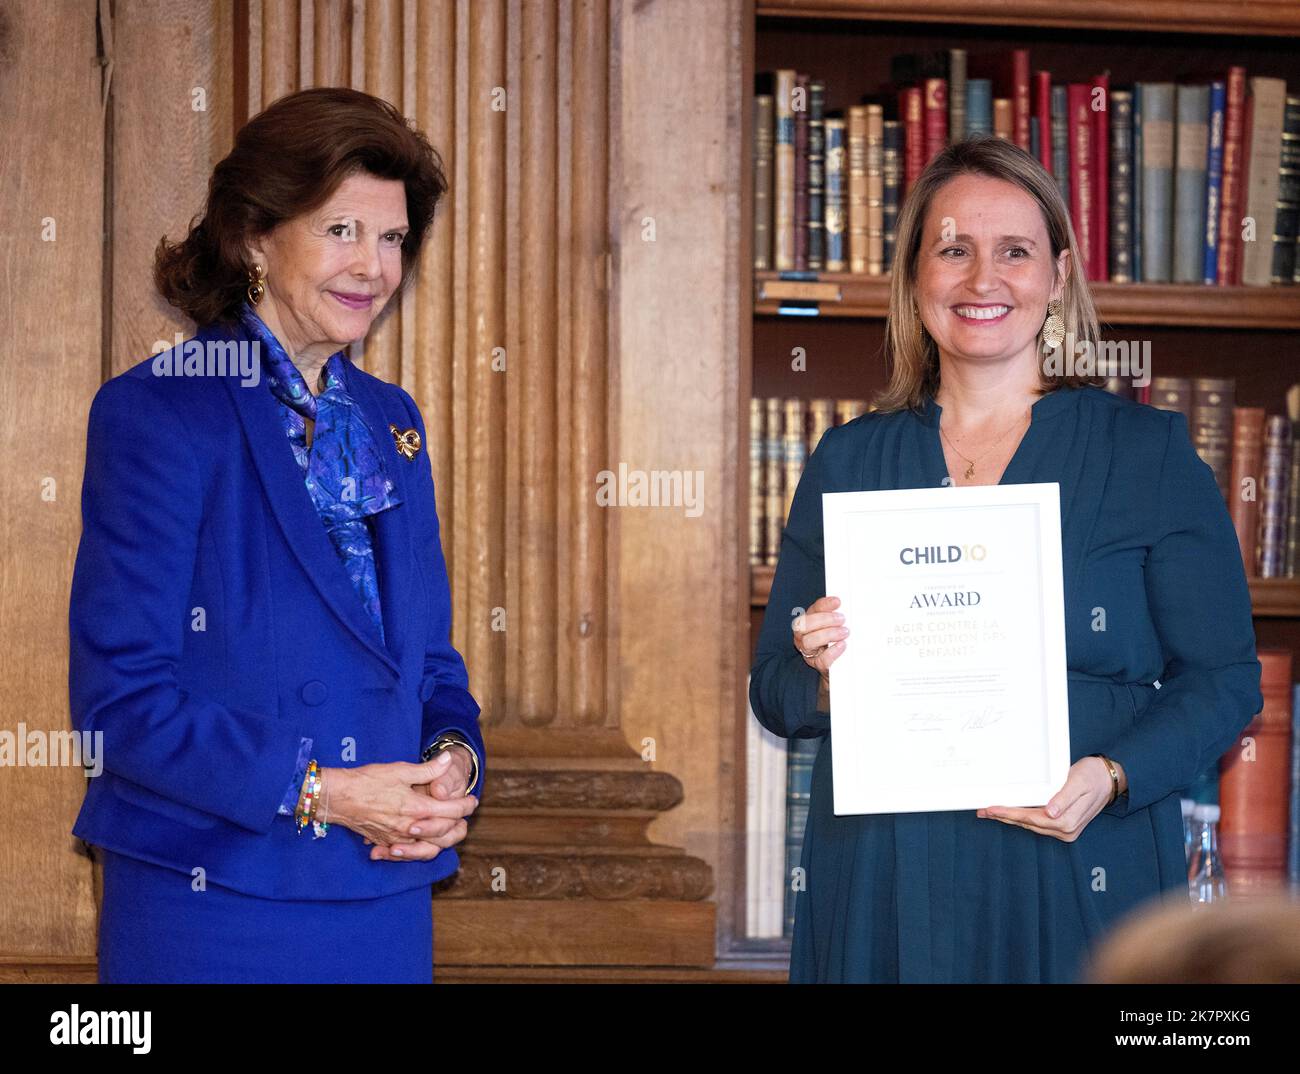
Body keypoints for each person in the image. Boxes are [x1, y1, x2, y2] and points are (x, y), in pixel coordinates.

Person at [749, 136, 1264, 984]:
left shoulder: (1148, 453)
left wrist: (1112, 776)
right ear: (916, 280)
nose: (982, 280)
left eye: (1014, 252)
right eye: (953, 249)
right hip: (886, 874)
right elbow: (774, 689)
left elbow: (1224, 680)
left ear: (1057, 276)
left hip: (1080, 861)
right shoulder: (848, 460)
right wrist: (826, 678)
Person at [68, 87, 484, 983]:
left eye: (392, 238)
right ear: (255, 235)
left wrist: (453, 763)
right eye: (341, 230)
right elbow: (119, 708)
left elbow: (430, 665)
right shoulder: (160, 412)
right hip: (220, 904)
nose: (373, 266)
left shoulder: (393, 422)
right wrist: (323, 794)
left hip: (382, 902)